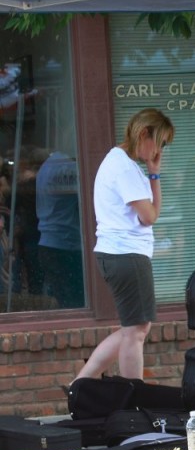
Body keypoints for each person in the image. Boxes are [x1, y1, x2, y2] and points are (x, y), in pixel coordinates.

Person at [75, 108, 173, 381]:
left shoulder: (119, 162)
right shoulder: (124, 167)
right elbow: (150, 216)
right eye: (160, 142)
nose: (159, 150)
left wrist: (152, 173)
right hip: (126, 254)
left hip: (119, 253)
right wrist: (155, 175)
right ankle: (133, 398)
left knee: (135, 328)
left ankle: (80, 383)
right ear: (144, 134)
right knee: (137, 331)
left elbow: (148, 215)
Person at [36, 147, 84, 308]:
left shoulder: (46, 167)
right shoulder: (66, 167)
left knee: (63, 300)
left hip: (50, 242)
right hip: (66, 243)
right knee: (74, 303)